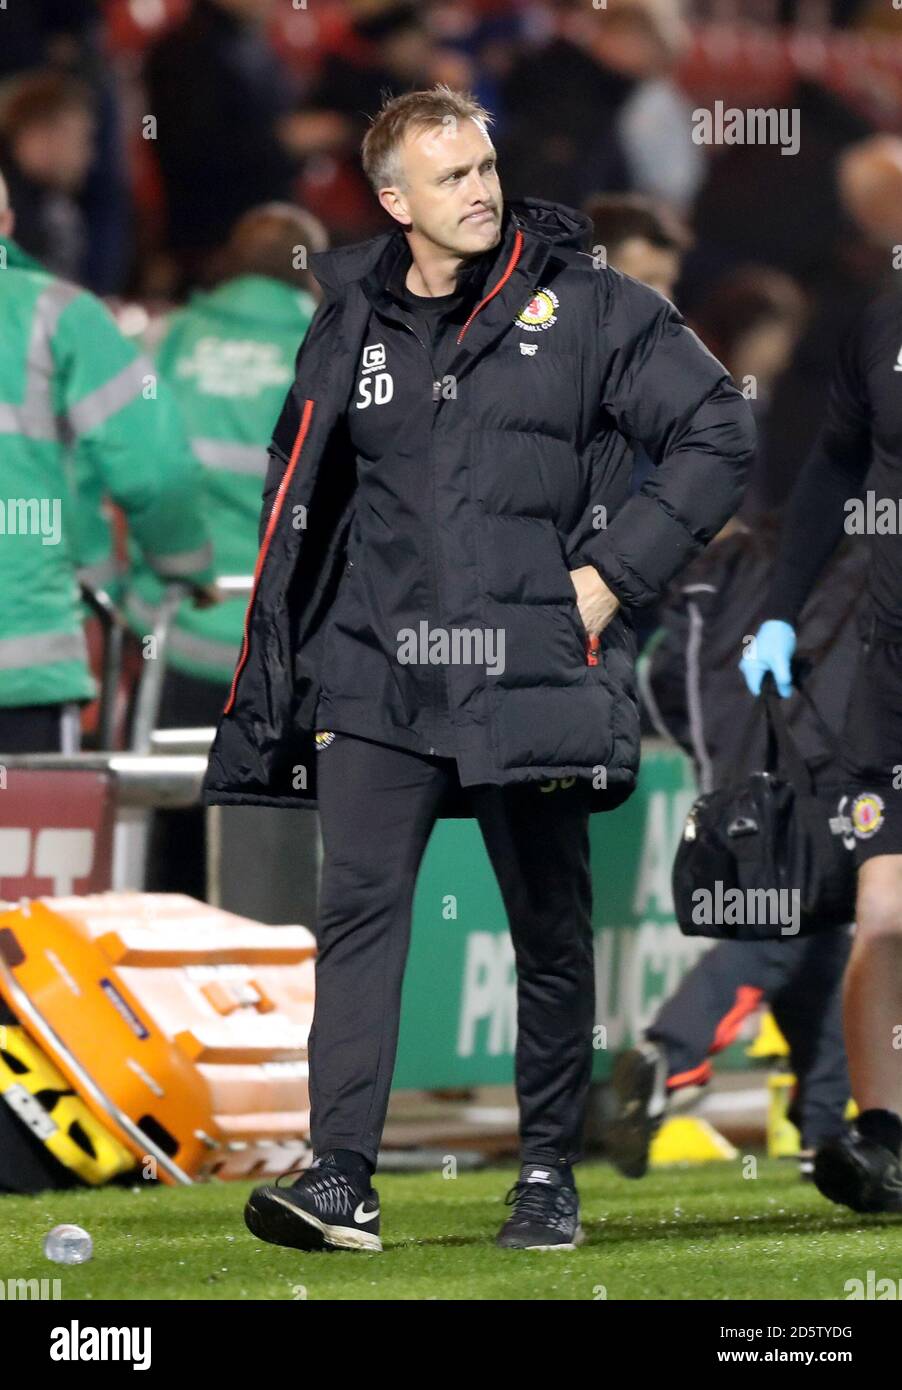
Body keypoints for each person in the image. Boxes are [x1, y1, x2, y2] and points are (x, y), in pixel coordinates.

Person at [203, 85, 755, 1253]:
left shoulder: (592, 303)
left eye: (484, 167)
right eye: (448, 176)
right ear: (392, 198)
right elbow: (303, 501)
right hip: (375, 675)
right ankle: (339, 1175)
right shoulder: (344, 315)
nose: (478, 190)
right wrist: (288, 664)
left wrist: (610, 576)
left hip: (531, 665)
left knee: (547, 929)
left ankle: (546, 1173)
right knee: (354, 916)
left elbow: (719, 430)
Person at [605, 515, 864, 1180]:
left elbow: (665, 681)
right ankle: (673, 1052)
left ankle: (827, 1131)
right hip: (808, 773)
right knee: (786, 924)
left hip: (742, 781)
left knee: (818, 930)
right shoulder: (834, 559)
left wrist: (711, 762)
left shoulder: (708, 578)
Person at [741, 286, 902, 1213]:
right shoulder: (882, 318)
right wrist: (778, 610)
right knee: (882, 908)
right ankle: (883, 1136)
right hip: (895, 670)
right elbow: (835, 466)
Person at [126, 203, 327, 897]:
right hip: (281, 648)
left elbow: (137, 469)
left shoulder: (172, 341)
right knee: (271, 862)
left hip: (176, 632)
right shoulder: (331, 348)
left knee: (165, 841)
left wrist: (134, 589)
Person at [0, 168, 216, 757]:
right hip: (19, 670)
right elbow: (153, 466)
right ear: (8, 225)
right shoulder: (58, 314)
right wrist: (184, 564)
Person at [0, 71, 96, 284]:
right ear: (38, 136)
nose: (88, 155)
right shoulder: (11, 207)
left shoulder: (54, 208)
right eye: (79, 139)